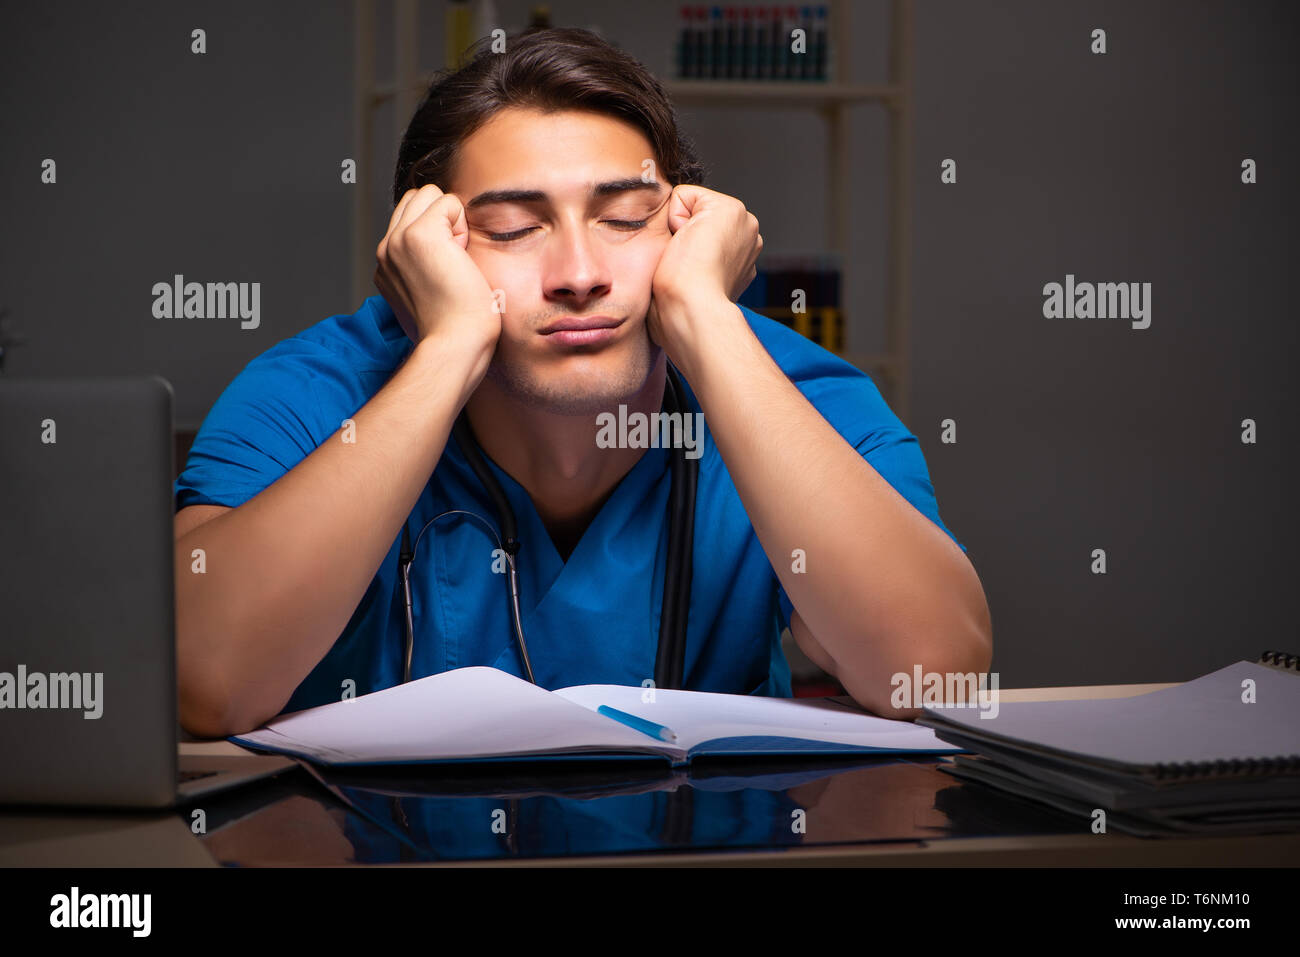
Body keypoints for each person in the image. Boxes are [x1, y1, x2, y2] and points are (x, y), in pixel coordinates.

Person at [173, 27, 991, 738]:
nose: (580, 272)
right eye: (513, 229)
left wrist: (706, 318)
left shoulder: (788, 392)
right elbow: (202, 682)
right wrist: (449, 345)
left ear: (688, 222)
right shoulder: (317, 394)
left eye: (627, 217)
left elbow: (937, 674)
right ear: (430, 249)